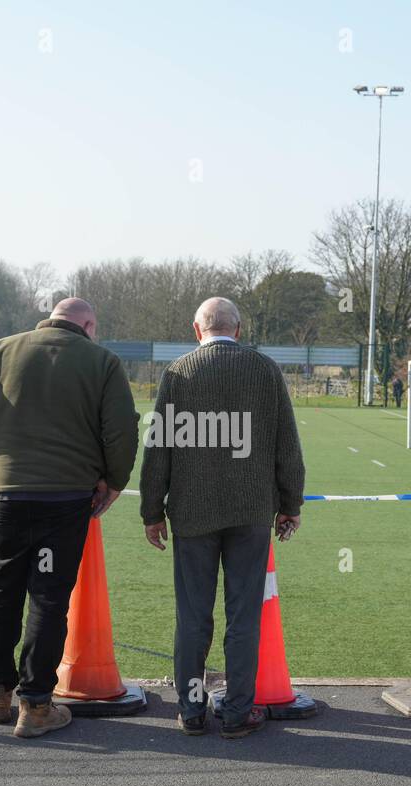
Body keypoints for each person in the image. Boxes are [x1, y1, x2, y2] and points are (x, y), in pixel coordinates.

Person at [0, 298, 139, 738]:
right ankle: (36, 705)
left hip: (5, 497)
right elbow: (122, 428)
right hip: (65, 499)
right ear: (87, 325)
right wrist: (114, 480)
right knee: (49, 600)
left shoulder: (0, 350)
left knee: (0, 592)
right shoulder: (102, 361)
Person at [139, 297, 305, 739]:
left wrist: (151, 510)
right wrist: (291, 502)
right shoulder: (266, 370)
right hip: (250, 512)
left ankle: (192, 711)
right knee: (243, 616)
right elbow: (287, 444)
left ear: (197, 330)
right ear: (239, 328)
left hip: (192, 514)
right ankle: (236, 712)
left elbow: (159, 450)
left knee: (192, 616)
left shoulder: (178, 373)